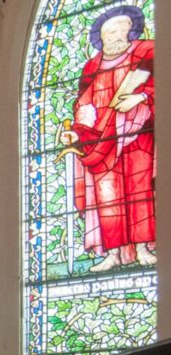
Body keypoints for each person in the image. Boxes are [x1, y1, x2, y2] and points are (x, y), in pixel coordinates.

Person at [59, 5, 155, 272]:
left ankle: (142, 247)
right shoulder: (93, 65)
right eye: (107, 32)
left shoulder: (145, 52)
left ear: (131, 30)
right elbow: (85, 103)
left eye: (118, 30)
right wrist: (77, 131)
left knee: (139, 190)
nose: (112, 36)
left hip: (137, 133)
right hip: (100, 139)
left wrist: (141, 97)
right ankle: (112, 252)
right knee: (107, 197)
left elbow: (157, 81)